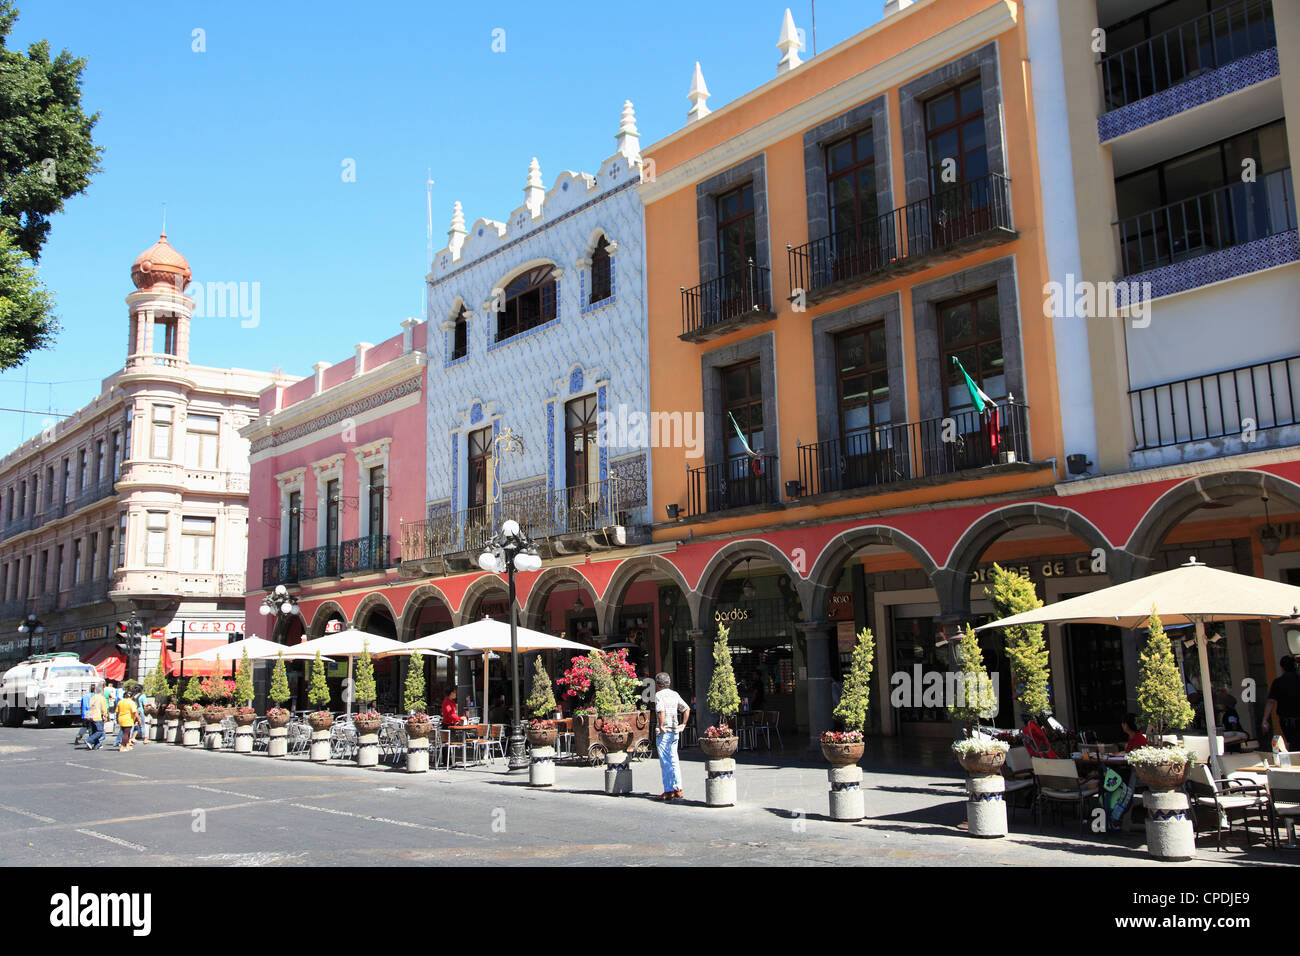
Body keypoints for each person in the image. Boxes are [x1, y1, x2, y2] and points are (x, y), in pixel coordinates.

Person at [653, 672, 690, 802]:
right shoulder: (675, 694)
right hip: (674, 731)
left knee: (665, 761)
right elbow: (686, 708)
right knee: (674, 759)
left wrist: (661, 725)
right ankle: (678, 788)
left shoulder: (658, 695)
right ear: (669, 683)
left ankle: (668, 790)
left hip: (665, 731)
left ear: (657, 685)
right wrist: (683, 724)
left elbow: (660, 711)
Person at [1262, 655, 1300, 748]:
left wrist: (1265, 719)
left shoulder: (1278, 682)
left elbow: (1271, 702)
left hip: (1285, 720)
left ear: (1282, 667)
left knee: (1292, 742)